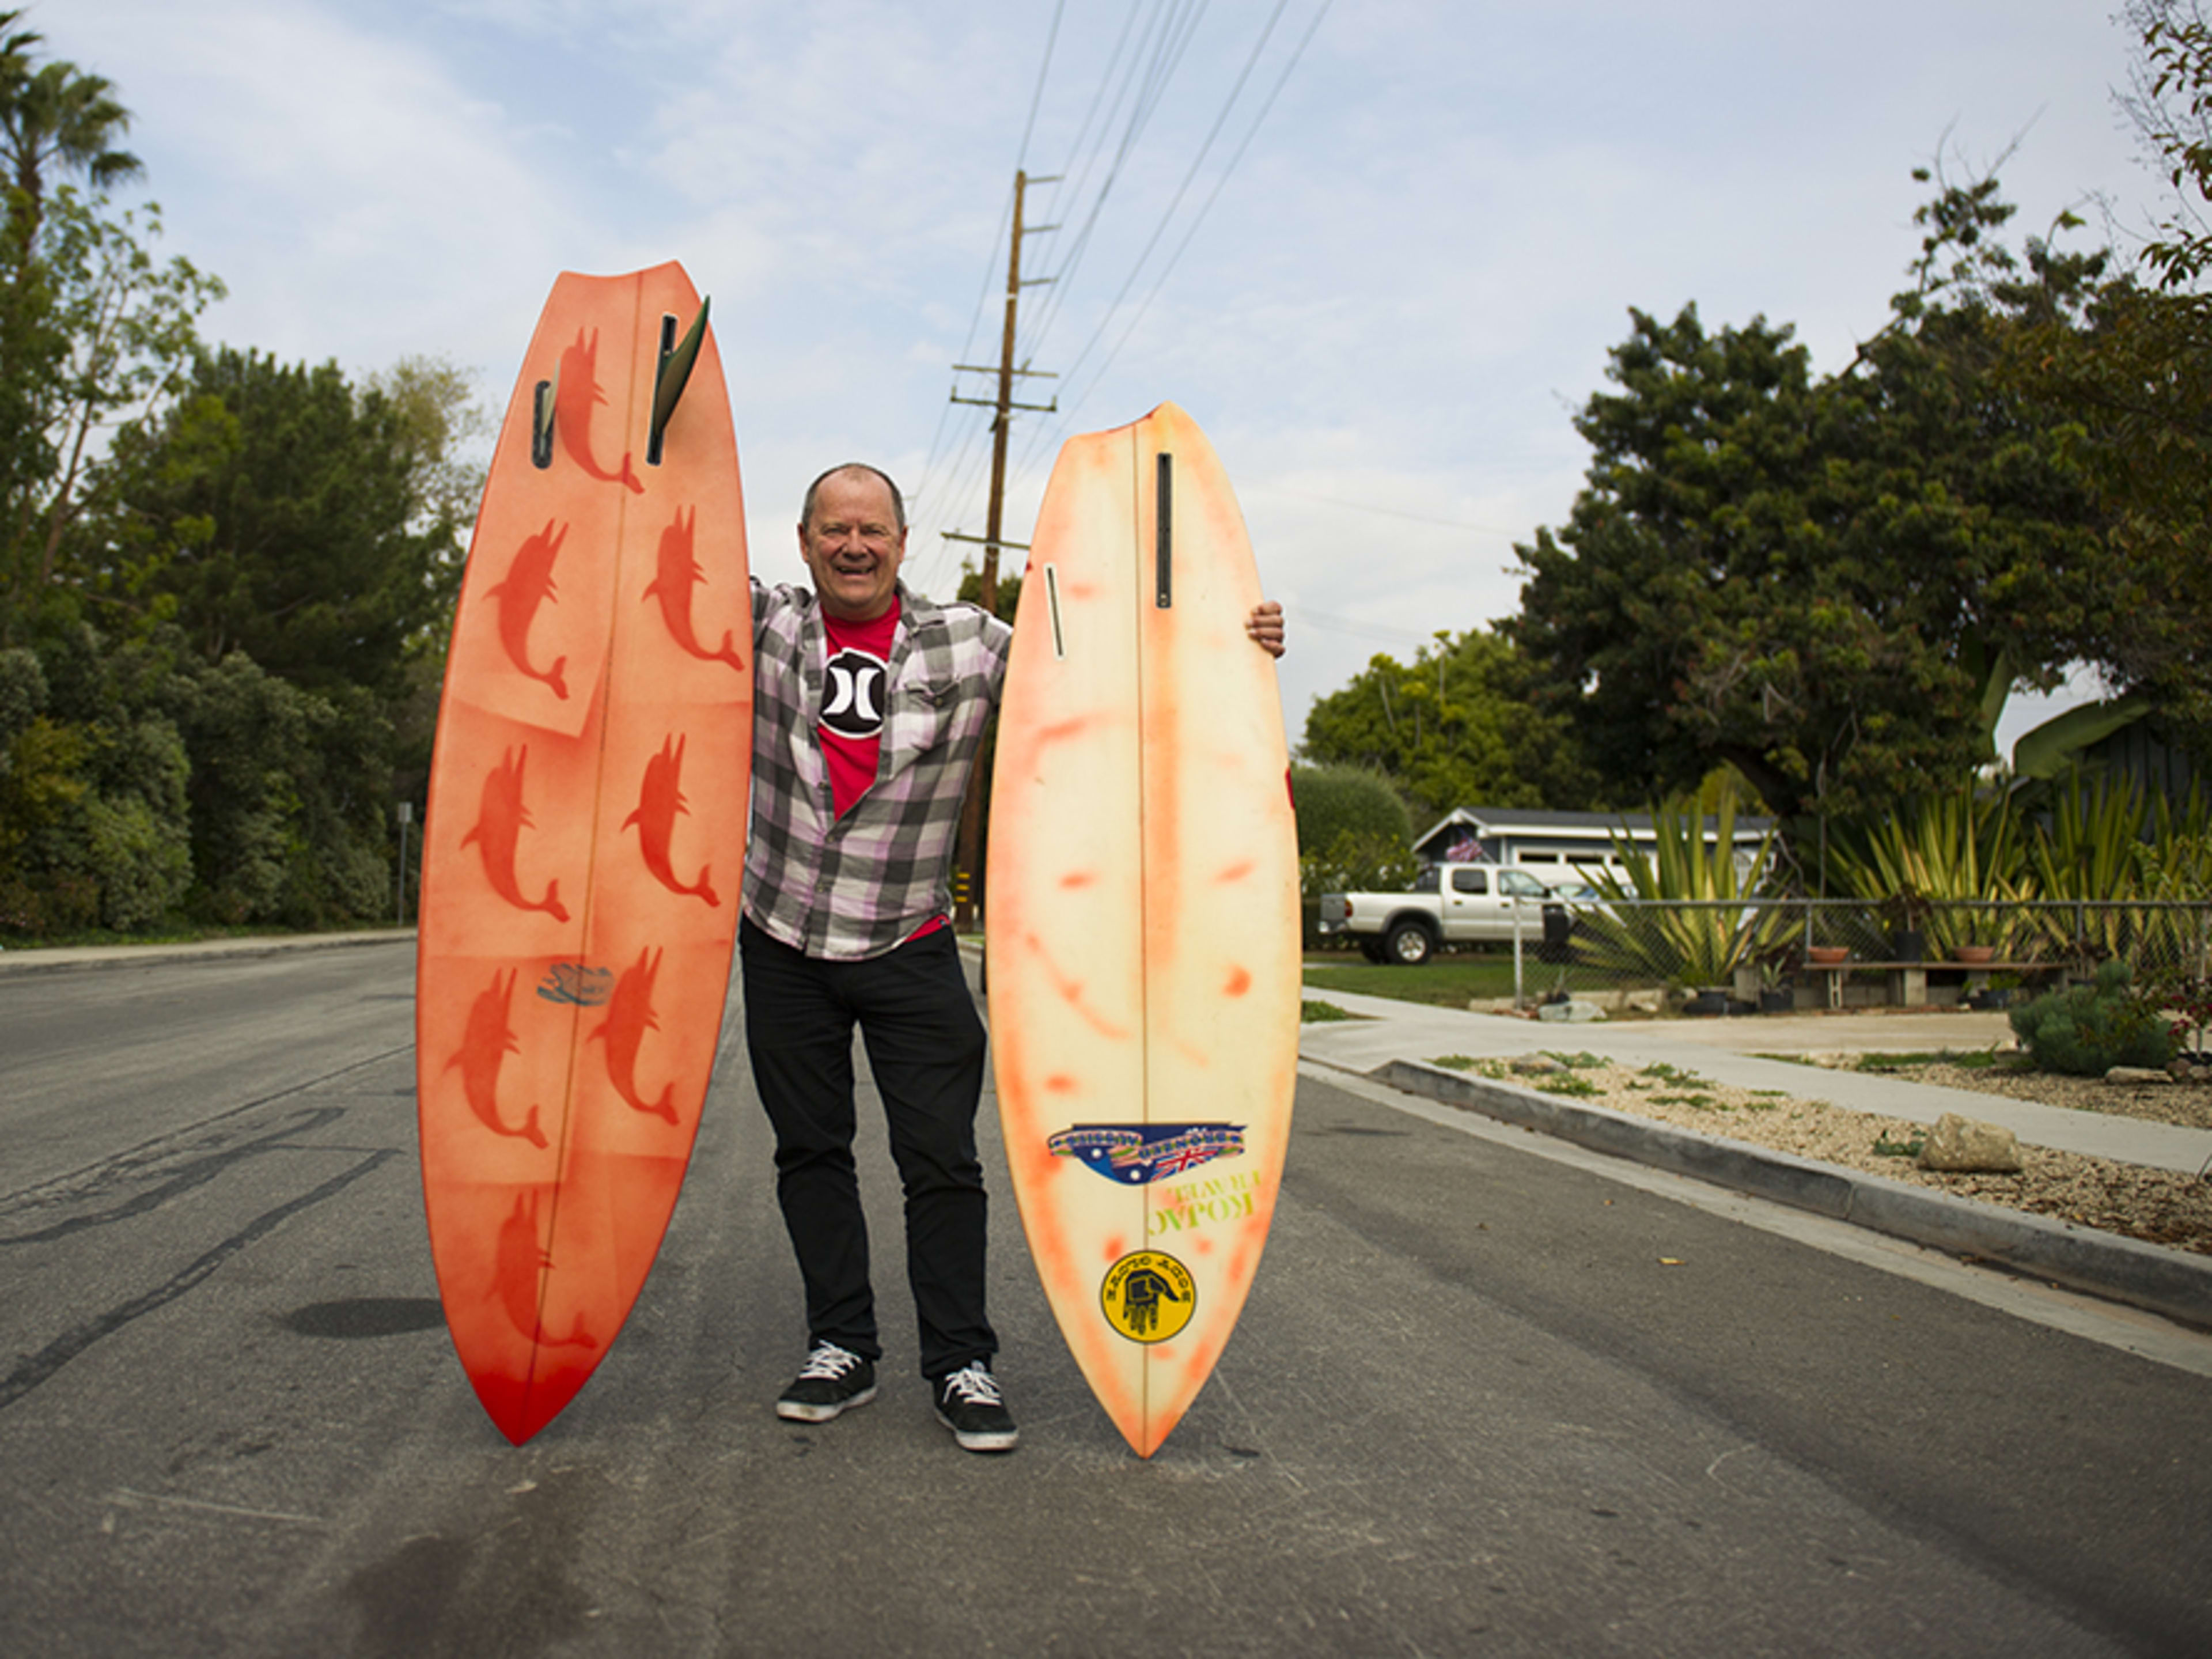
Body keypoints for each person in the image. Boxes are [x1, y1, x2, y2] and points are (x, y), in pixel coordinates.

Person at [742, 461, 1284, 1453]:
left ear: (904, 542)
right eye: (833, 530)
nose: (853, 546)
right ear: (805, 540)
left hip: (909, 939)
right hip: (780, 936)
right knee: (810, 1152)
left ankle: (961, 1362)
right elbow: (649, 580)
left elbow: (1118, 661)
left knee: (940, 1160)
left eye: (872, 529)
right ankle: (841, 1347)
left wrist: (1235, 636)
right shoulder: (762, 625)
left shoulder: (975, 642)